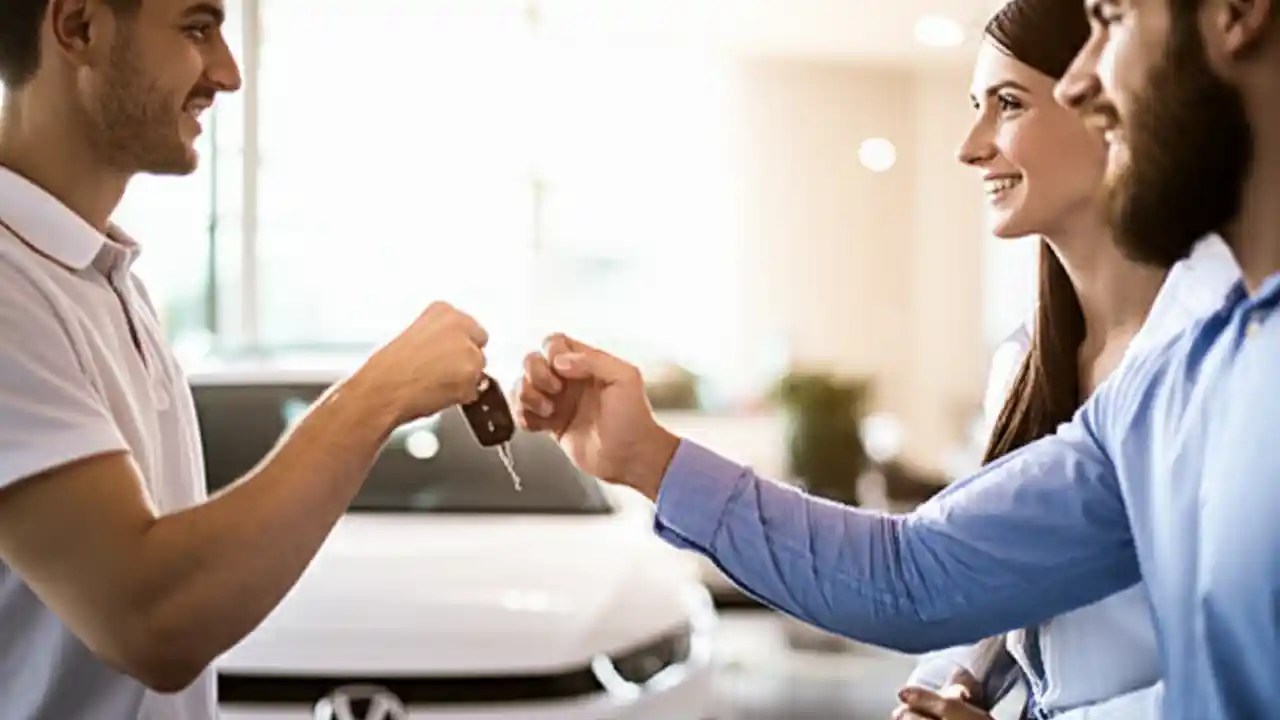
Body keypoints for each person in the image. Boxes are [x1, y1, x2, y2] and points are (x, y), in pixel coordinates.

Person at [513, 0, 1280, 716]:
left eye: (1112, 17)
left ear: (1240, 12)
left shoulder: (1196, 358)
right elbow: (918, 575)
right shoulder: (1174, 382)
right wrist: (647, 457)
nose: (1086, 83)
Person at [0, 1, 491, 718]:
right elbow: (152, 619)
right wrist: (381, 392)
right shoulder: (8, 287)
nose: (227, 74)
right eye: (197, 29)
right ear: (80, 27)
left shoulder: (103, 281)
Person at [893, 1, 1239, 719]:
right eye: (976, 107)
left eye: (1008, 104)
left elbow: (1249, 668)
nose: (970, 147)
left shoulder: (1216, 353)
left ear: (1103, 97)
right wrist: (949, 685)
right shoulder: (1020, 363)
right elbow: (995, 577)